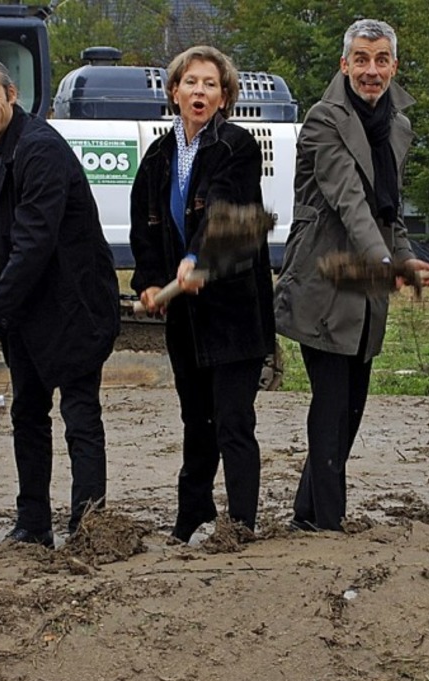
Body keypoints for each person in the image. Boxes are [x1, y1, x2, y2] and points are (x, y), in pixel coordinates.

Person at [273, 20, 429, 532]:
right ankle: (326, 521)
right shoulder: (324, 120)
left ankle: (307, 511)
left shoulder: (398, 126)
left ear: (393, 66)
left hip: (369, 286)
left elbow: (390, 213)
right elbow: (349, 201)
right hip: (326, 279)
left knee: (354, 403)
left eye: (381, 59)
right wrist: (383, 262)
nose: (371, 70)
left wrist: (404, 259)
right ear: (344, 65)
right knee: (332, 401)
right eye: (361, 59)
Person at [0, 56, 120, 548]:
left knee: (79, 416)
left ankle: (88, 529)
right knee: (27, 414)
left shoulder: (40, 150)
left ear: (11, 95)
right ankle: (32, 526)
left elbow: (35, 243)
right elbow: (12, 232)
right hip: (29, 307)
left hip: (75, 307)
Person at [130, 46, 275, 542]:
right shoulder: (157, 156)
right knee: (196, 419)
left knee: (233, 421)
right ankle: (192, 515)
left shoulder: (237, 147)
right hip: (185, 318)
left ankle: (240, 524)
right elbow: (144, 228)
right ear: (174, 92)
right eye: (191, 82)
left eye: (210, 84)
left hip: (234, 312)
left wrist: (198, 258)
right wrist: (152, 281)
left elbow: (225, 212)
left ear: (224, 97)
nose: (199, 91)